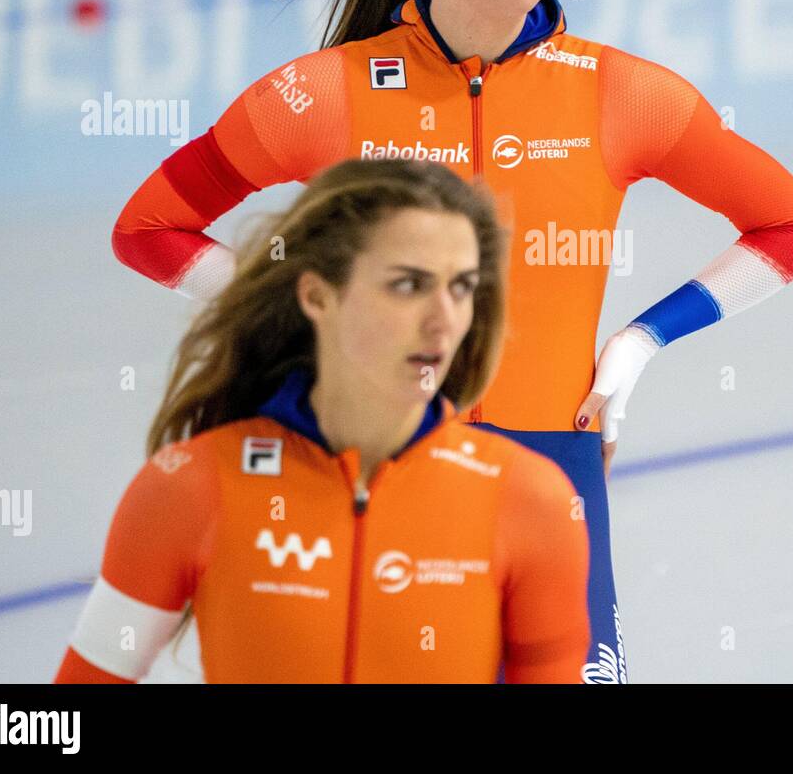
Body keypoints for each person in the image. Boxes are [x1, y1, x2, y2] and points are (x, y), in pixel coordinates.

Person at [110, 0, 793, 684]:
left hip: (550, 473)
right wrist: (298, 316)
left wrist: (639, 344)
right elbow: (148, 229)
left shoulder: (623, 96)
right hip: (372, 472)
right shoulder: (322, 95)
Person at [57, 158, 590, 683]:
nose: (443, 320)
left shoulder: (527, 499)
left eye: (461, 287)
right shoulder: (190, 487)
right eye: (408, 285)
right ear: (316, 295)